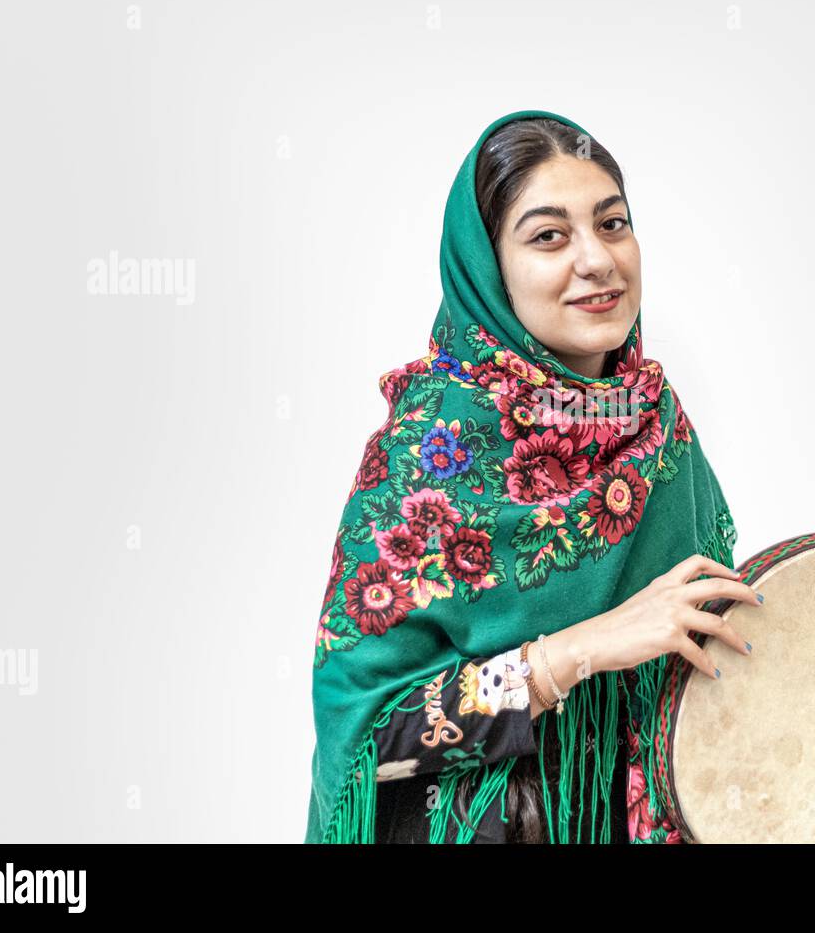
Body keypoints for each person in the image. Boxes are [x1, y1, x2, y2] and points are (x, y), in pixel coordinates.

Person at [305, 109, 760, 844]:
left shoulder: (658, 431)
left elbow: (705, 682)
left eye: (612, 224)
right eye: (550, 236)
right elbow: (367, 747)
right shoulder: (425, 456)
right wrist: (577, 650)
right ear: (487, 266)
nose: (597, 260)